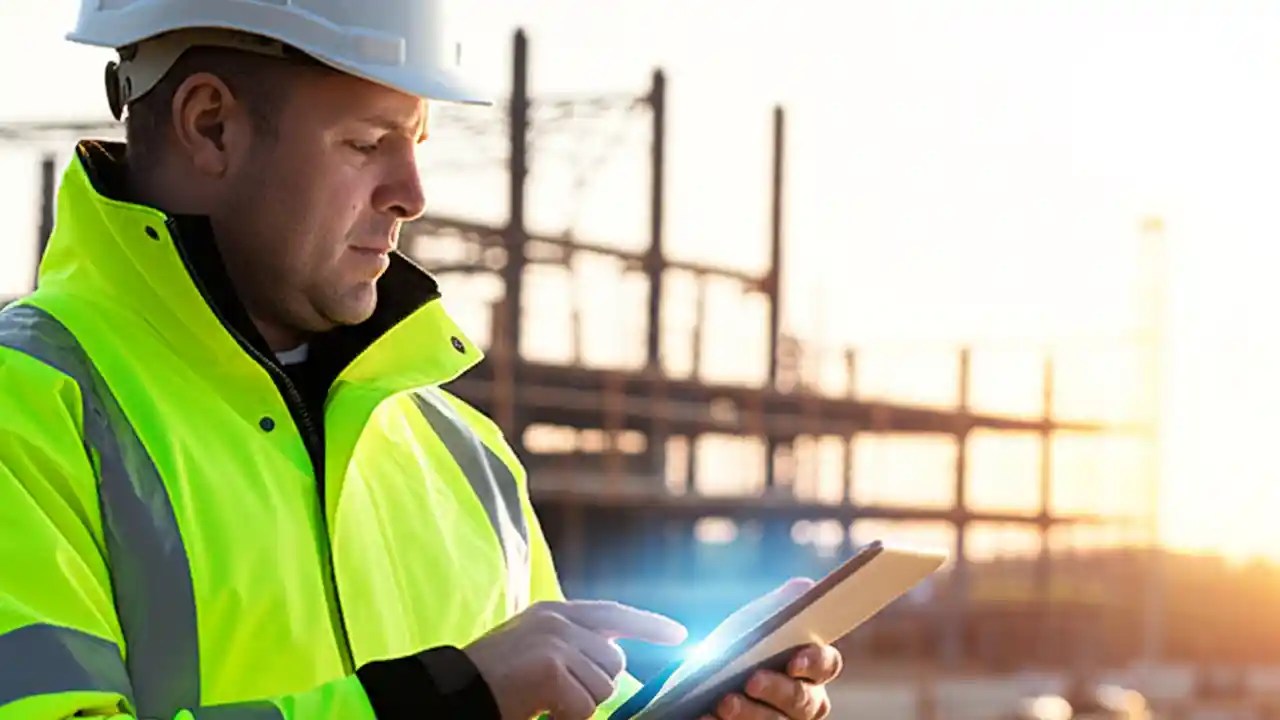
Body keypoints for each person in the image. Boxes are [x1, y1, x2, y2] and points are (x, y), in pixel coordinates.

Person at [0, 1, 844, 719]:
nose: (412, 191)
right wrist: (449, 699)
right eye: (368, 142)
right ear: (210, 126)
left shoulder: (463, 455)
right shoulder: (30, 405)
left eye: (416, 142)